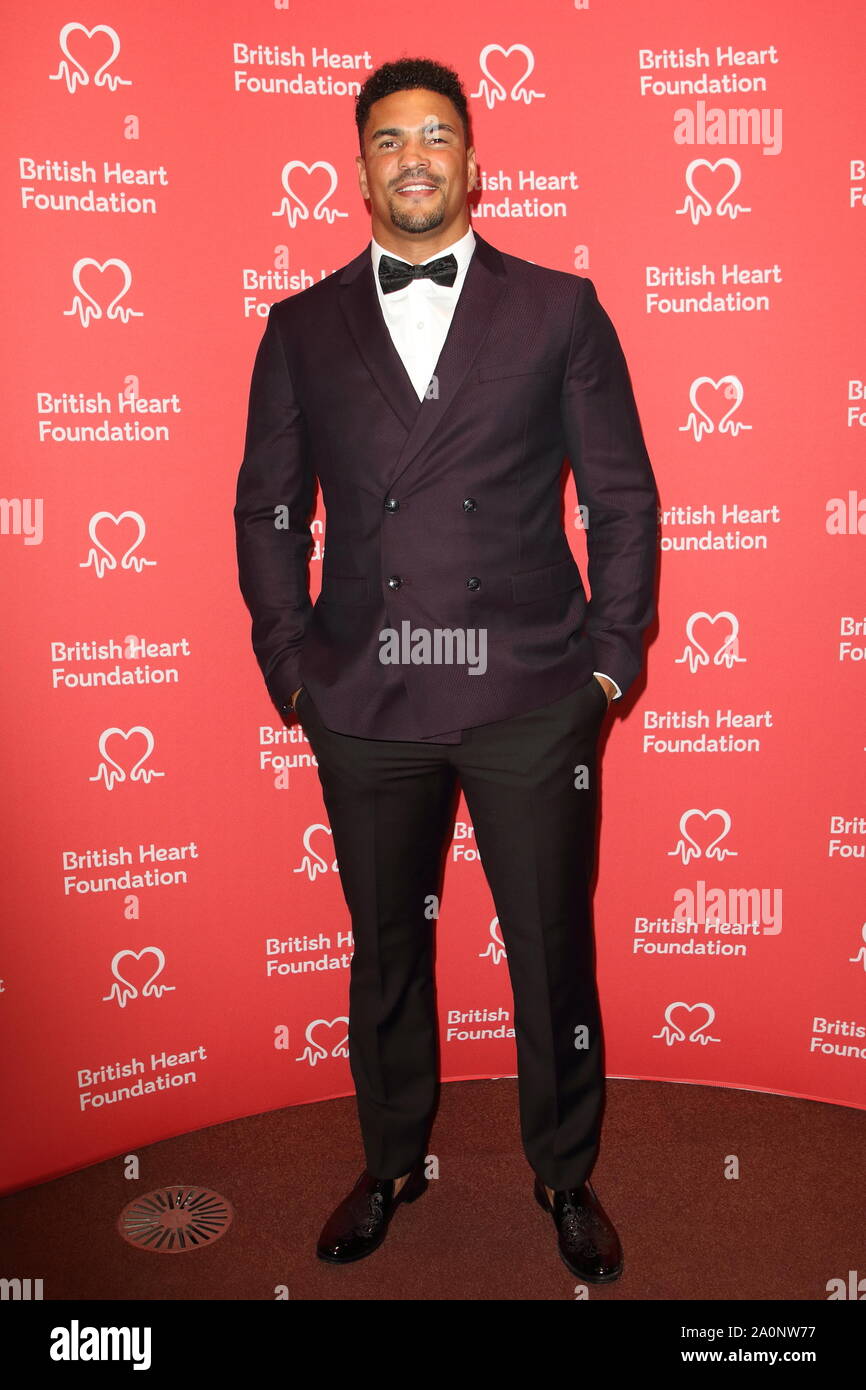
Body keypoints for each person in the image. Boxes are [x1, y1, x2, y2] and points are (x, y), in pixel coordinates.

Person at [234, 56, 659, 1283]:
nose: (412, 156)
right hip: (363, 701)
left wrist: (607, 664)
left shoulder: (558, 309)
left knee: (547, 946)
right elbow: (267, 509)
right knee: (386, 947)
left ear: (473, 163)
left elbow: (620, 498)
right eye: (386, 140)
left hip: (529, 694)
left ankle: (564, 1172)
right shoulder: (300, 326)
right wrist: (291, 668)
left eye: (434, 135)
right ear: (357, 169)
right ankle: (389, 1159)